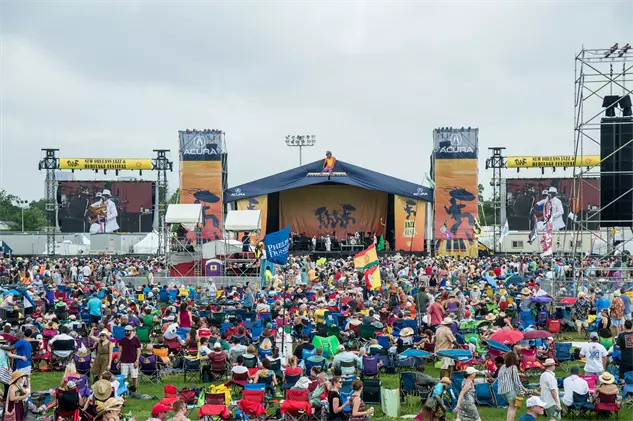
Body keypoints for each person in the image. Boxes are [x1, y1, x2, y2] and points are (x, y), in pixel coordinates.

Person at [497, 352, 527, 421]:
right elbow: (516, 381)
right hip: (510, 390)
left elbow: (499, 378)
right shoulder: (514, 367)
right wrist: (520, 392)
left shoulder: (502, 367)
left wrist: (523, 388)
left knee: (510, 407)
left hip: (502, 390)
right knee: (513, 408)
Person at [117, 325, 141, 390]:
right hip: (124, 361)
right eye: (125, 331)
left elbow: (138, 350)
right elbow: (120, 351)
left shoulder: (136, 339)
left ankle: (134, 390)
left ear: (131, 331)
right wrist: (118, 360)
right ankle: (124, 390)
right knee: (124, 377)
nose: (126, 332)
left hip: (133, 361)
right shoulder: (122, 340)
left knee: (134, 376)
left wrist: (137, 361)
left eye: (127, 331)